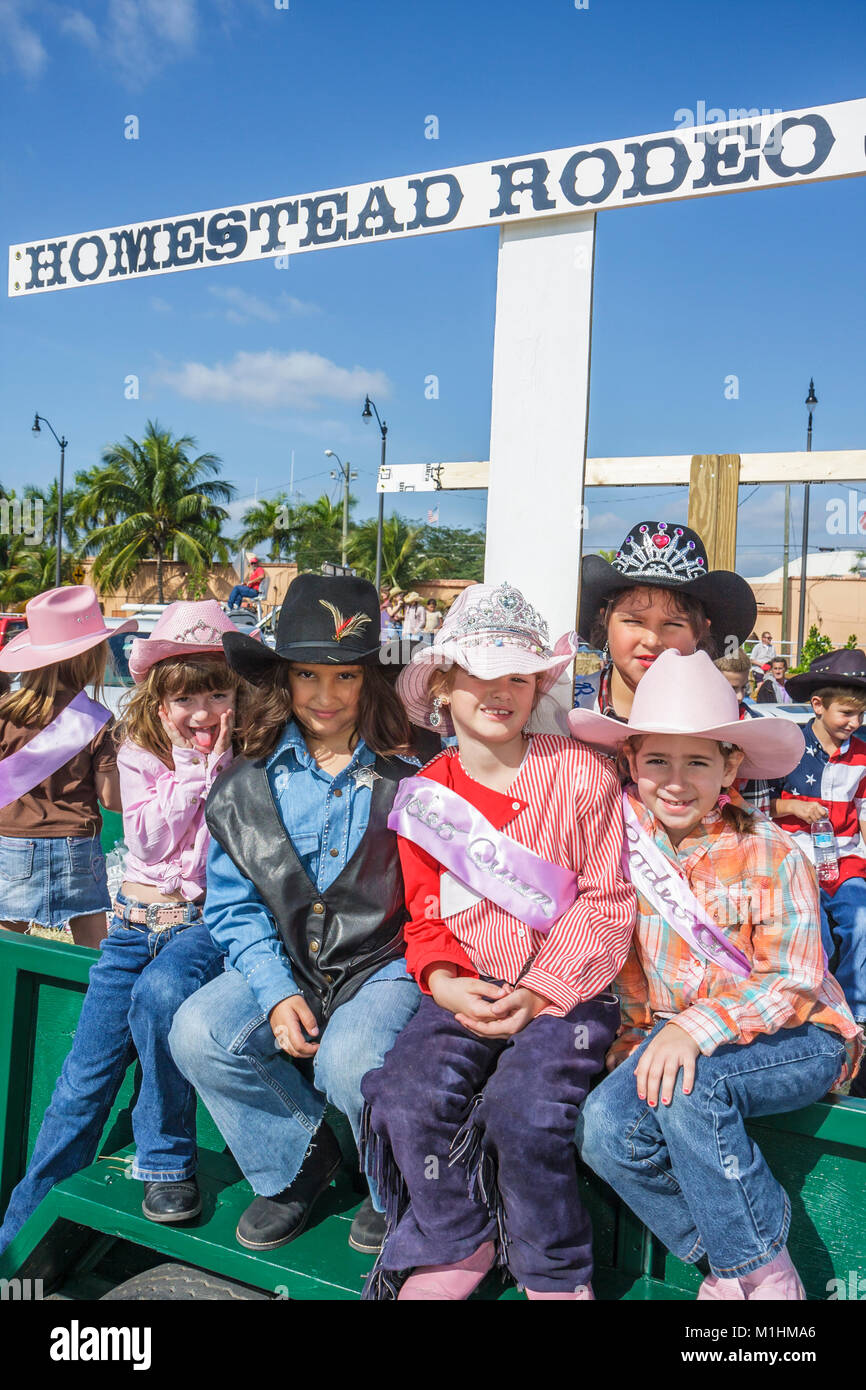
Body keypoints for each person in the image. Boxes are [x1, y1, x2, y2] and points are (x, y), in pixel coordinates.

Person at [359, 582, 635, 1300]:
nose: (500, 690)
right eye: (480, 674)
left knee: (526, 1112)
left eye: (518, 675)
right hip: (467, 986)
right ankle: (457, 1237)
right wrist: (445, 980)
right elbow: (424, 918)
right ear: (444, 687)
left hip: (568, 992)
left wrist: (544, 991)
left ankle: (554, 1271)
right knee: (403, 1096)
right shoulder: (424, 797)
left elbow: (607, 900)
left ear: (539, 685)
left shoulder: (583, 774)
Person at [571, 650, 862, 1301]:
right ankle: (730, 1264)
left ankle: (769, 1278)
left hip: (800, 1034)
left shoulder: (770, 849)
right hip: (676, 1037)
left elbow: (792, 978)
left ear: (731, 766)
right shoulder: (619, 845)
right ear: (631, 763)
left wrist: (693, 1031)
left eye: (698, 761)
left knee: (691, 1088)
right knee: (603, 1129)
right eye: (657, 761)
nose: (675, 781)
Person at [168, 575, 425, 1258]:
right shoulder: (244, 780)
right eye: (308, 674)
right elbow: (232, 904)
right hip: (290, 958)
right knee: (198, 1031)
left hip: (382, 962)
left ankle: (390, 1181)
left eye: (346, 677)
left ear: (371, 682)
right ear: (282, 678)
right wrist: (276, 988)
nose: (326, 695)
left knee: (351, 1062)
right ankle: (299, 1160)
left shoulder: (415, 773)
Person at [0, 601, 246, 1253]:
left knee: (158, 998)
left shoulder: (245, 758)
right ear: (159, 698)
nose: (201, 712)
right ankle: (17, 1228)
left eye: (216, 693)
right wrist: (195, 774)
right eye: (185, 696)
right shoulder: (133, 744)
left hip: (195, 924)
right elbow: (146, 833)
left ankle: (167, 1163)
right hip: (132, 916)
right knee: (83, 1078)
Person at [0, 585, 136, 948]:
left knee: (6, 943)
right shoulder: (99, 720)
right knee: (91, 947)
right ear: (89, 658)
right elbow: (111, 799)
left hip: (12, 842)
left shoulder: (4, 714)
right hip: (77, 844)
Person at [772, 650, 866, 1073]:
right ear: (818, 705)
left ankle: (856, 1012)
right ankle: (816, 1013)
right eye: (847, 712)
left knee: (861, 920)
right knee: (817, 938)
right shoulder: (786, 744)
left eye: (861, 714)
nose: (855, 723)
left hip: (844, 860)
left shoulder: (863, 754)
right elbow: (755, 804)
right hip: (795, 860)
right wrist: (794, 809)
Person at [576, 522, 757, 721]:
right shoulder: (562, 708)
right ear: (605, 621)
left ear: (700, 633)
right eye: (634, 621)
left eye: (673, 624)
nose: (652, 640)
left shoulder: (727, 724)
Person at [714, 650, 773, 815]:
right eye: (732, 688)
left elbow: (758, 792)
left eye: (743, 688)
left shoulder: (753, 723)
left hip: (743, 810)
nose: (740, 696)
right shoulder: (693, 720)